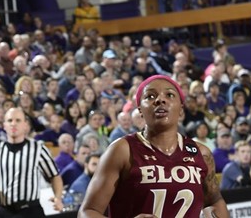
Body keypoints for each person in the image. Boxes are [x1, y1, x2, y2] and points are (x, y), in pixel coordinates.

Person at [78, 75, 228, 218]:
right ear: (140, 111)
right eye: (150, 96)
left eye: (169, 95)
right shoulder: (121, 150)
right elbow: (87, 212)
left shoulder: (201, 153)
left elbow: (214, 201)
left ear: (181, 108)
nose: (160, 100)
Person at [0, 108, 63, 217]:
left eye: (18, 120)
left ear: (25, 125)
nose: (13, 124)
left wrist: (58, 197)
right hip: (5, 211)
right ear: (4, 125)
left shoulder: (37, 149)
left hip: (30, 210)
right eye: (10, 120)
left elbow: (55, 176)